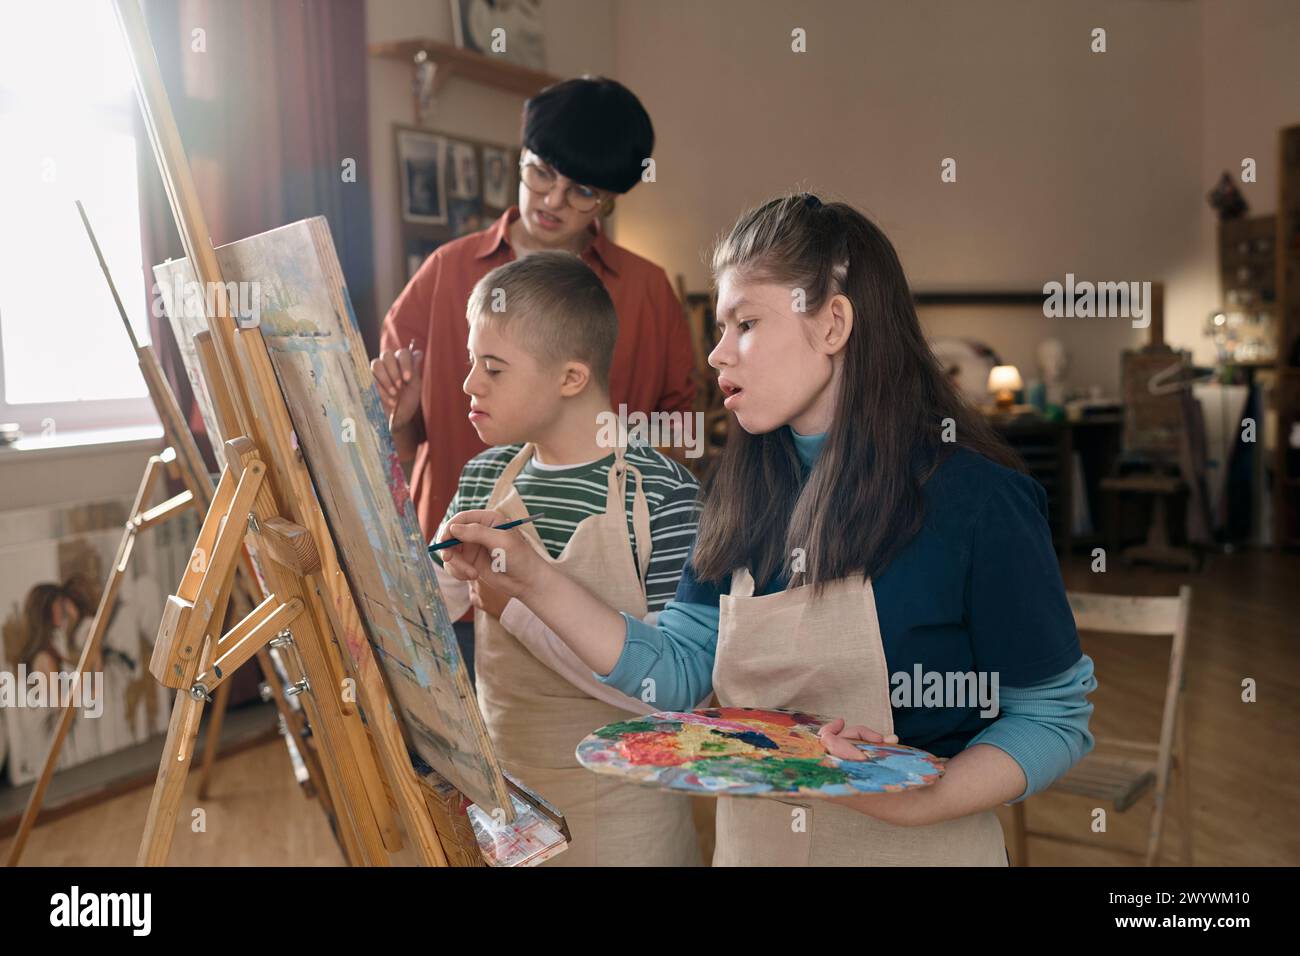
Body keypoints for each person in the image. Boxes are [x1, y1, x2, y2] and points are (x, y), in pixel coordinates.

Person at [438, 193, 1097, 866]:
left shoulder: (977, 501)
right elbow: (675, 678)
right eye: (718, 330)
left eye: (745, 323)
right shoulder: (736, 491)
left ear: (833, 322)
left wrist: (925, 796)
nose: (719, 355)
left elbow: (1053, 717)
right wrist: (534, 580)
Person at [430, 251, 703, 866]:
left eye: (493, 369)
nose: (469, 383)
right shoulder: (483, 477)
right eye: (472, 361)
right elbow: (426, 610)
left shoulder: (663, 492)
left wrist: (517, 603)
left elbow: (673, 698)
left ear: (572, 379)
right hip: (510, 812)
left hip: (632, 825)